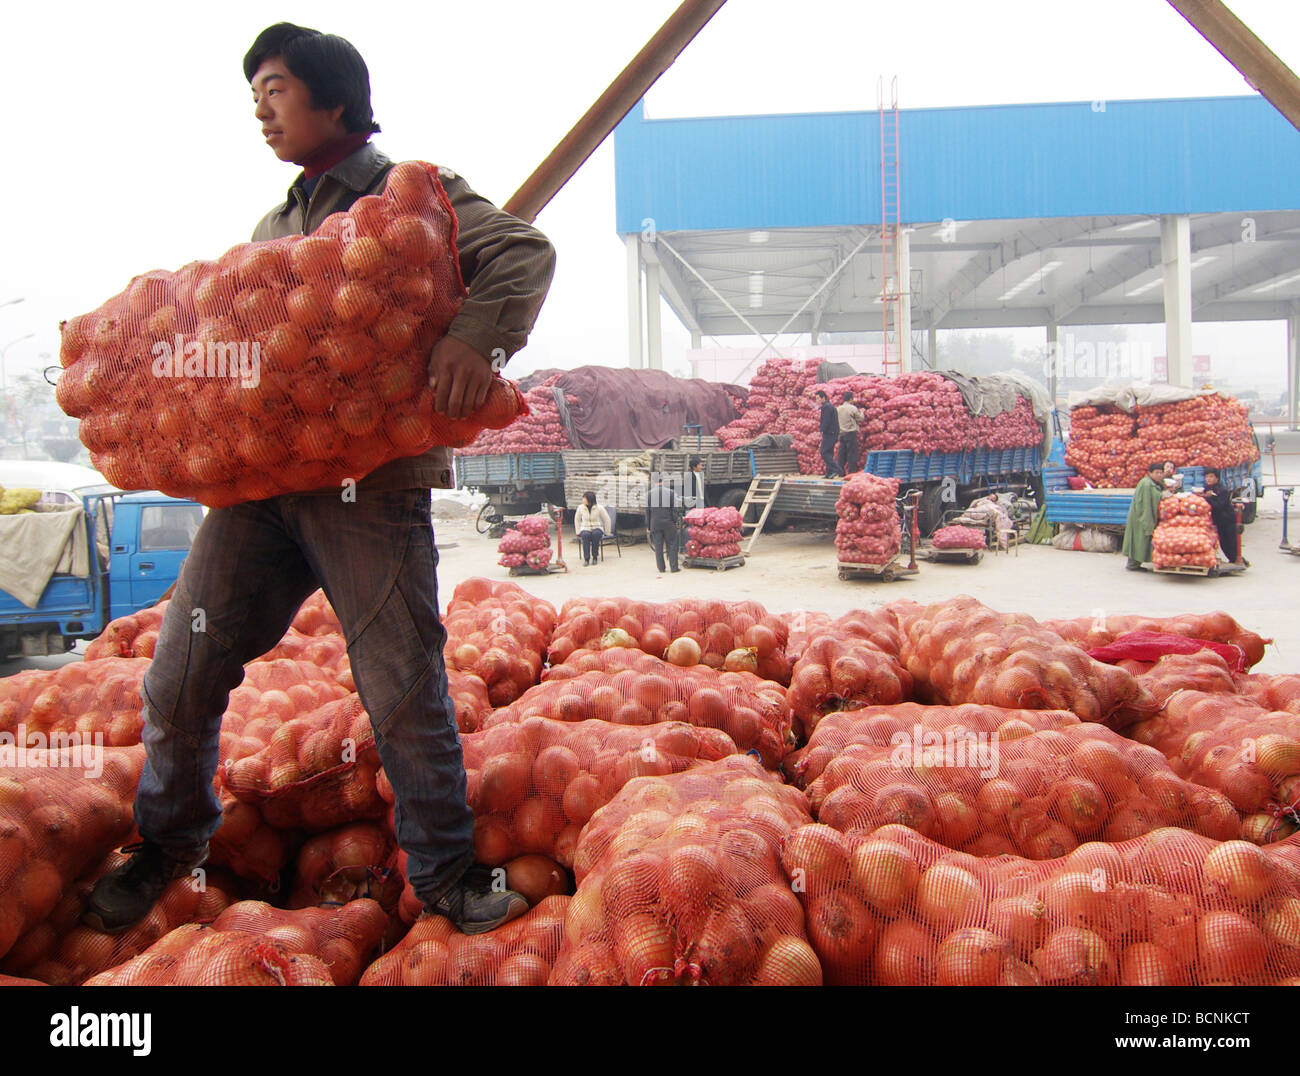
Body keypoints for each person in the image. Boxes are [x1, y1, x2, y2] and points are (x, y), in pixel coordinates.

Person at [83, 23, 556, 937]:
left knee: (399, 680)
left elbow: (524, 254)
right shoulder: (274, 230)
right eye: (255, 94)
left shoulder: (412, 193)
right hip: (264, 492)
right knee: (181, 667)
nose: (261, 108)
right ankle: (170, 844)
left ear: (334, 98)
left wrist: (476, 340)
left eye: (277, 88)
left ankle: (448, 870)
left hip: (370, 487)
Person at [1122, 461, 1168, 571]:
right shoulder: (1146, 484)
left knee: (1141, 541)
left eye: (1161, 473)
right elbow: (1148, 502)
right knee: (1139, 540)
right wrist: (1162, 495)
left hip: (1144, 516)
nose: (1159, 475)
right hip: (1141, 517)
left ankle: (1135, 564)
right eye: (1157, 473)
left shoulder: (1153, 483)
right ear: (1150, 473)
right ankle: (1133, 565)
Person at [1201, 468, 1242, 564]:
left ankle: (1237, 560)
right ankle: (1234, 560)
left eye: (1211, 476)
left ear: (1217, 478)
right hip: (1218, 521)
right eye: (1207, 477)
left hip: (1227, 519)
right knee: (1223, 543)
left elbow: (1219, 505)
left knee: (1230, 542)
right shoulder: (1206, 488)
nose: (1208, 479)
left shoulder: (1222, 490)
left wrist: (1208, 498)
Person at [646, 475, 680, 573]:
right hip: (668, 523)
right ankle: (674, 568)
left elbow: (647, 512)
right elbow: (675, 510)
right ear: (663, 481)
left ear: (653, 481)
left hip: (655, 524)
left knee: (658, 546)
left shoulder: (649, 494)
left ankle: (661, 568)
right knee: (672, 545)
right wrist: (674, 521)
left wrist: (649, 526)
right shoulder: (671, 493)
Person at [575, 490, 612, 566]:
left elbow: (607, 519)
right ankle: (587, 559)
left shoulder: (599, 508)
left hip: (597, 527)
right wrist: (578, 531)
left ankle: (595, 557)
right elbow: (577, 519)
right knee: (585, 535)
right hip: (585, 528)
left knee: (596, 534)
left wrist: (607, 532)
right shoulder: (580, 508)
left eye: (584, 498)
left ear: (589, 499)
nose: (583, 500)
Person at [836, 390, 866, 475]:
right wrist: (862, 412)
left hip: (841, 433)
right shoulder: (852, 408)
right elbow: (860, 419)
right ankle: (851, 472)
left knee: (841, 454)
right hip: (850, 433)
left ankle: (840, 472)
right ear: (851, 399)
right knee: (851, 453)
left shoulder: (838, 408)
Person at [816, 390, 842, 477]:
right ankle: (829, 473)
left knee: (824, 452)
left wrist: (822, 430)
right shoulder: (830, 406)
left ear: (823, 398)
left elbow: (826, 420)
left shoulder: (826, 407)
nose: (817, 401)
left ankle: (837, 470)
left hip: (829, 433)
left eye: (818, 398)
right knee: (829, 452)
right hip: (833, 433)